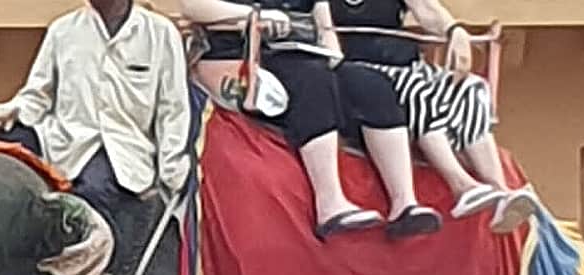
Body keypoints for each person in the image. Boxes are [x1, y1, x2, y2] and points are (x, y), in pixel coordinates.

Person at [182, 0, 442, 240]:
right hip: (237, 57)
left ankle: (404, 202)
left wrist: (334, 58)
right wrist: (254, 16)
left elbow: (322, 20)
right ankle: (329, 202)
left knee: (371, 85)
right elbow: (193, 6)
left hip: (299, 51)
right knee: (312, 80)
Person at [327, 0, 538, 233]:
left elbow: (426, 8)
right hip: (359, 75)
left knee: (471, 88)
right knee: (415, 89)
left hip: (409, 65)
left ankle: (501, 191)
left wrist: (453, 30)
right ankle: (461, 185)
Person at [0, 0, 192, 222]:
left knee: (92, 197)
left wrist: (173, 170)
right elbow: (37, 96)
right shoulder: (62, 30)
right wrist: (10, 110)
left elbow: (172, 110)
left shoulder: (161, 33)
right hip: (64, 144)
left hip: (123, 153)